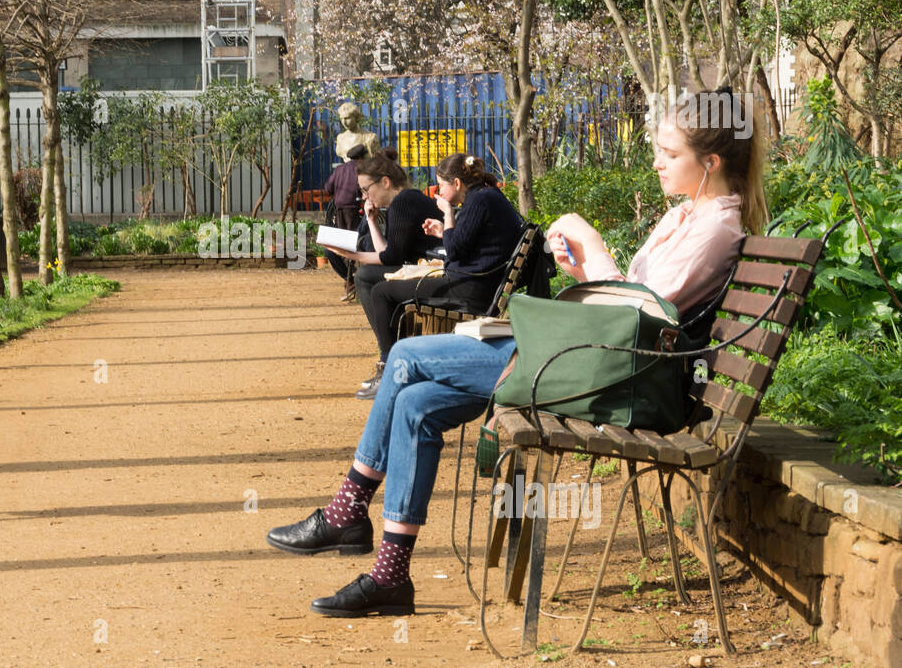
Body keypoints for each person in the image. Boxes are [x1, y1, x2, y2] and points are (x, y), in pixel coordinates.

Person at [266, 88, 767, 617]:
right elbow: (627, 299)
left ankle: (347, 510)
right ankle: (391, 576)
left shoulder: (714, 227)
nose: (657, 162)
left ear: (709, 163)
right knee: (416, 405)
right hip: (594, 358)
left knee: (406, 358)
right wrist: (580, 268)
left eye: (670, 154)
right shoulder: (687, 217)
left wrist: (591, 243)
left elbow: (640, 315)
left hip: (608, 377)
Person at [355, 152, 524, 389]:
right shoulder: (485, 196)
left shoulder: (479, 200)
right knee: (384, 288)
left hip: (469, 287)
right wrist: (444, 229)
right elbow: (462, 244)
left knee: (382, 292)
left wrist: (447, 214)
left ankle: (391, 369)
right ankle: (399, 363)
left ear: (456, 183)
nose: (438, 191)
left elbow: (454, 250)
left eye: (441, 185)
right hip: (475, 281)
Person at [324, 154, 443, 398]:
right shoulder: (403, 201)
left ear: (385, 182)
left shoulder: (403, 202)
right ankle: (390, 358)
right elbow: (387, 253)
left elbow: (391, 258)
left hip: (431, 274)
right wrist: (370, 219)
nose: (365, 196)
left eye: (366, 189)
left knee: (366, 277)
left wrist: (352, 254)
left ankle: (389, 362)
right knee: (367, 276)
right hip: (422, 269)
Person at [323, 142, 370, 301]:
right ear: (362, 157)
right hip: (355, 210)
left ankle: (350, 280)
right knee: (353, 243)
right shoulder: (362, 168)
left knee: (341, 245)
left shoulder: (340, 169)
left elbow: (328, 189)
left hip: (339, 212)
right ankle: (353, 281)